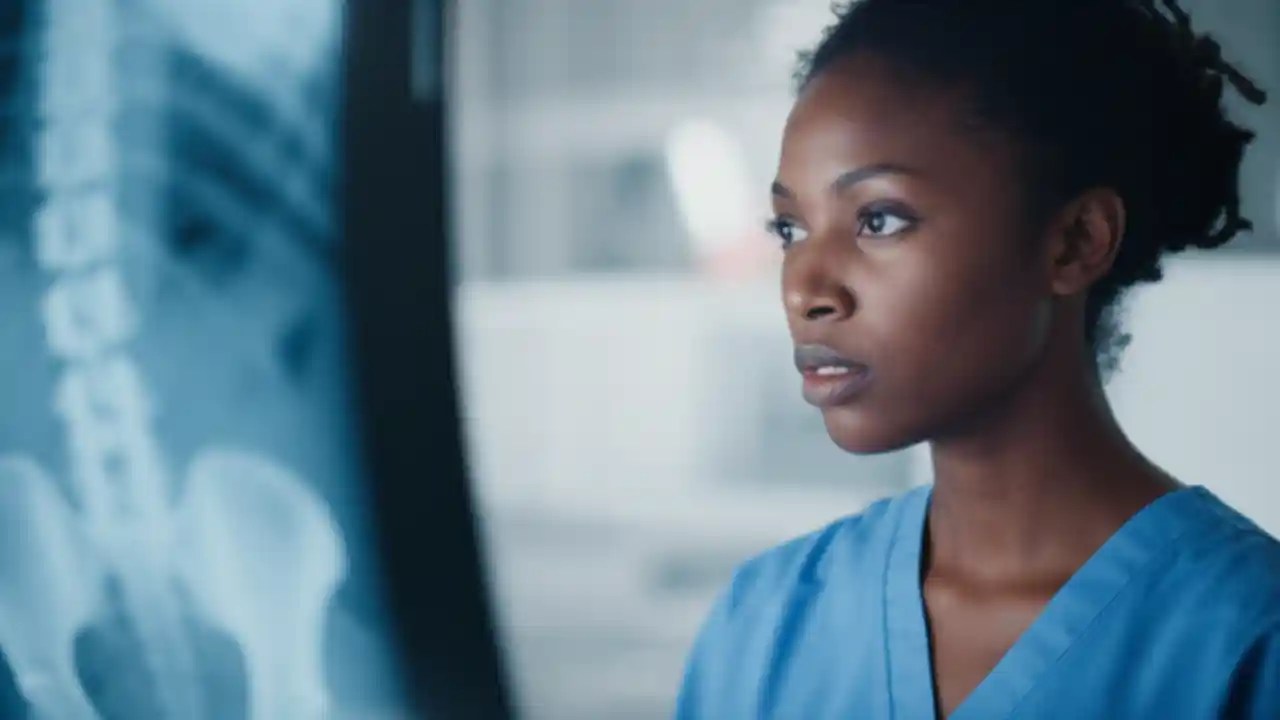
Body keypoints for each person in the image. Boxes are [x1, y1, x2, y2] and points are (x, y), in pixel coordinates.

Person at [675, 1, 1278, 718]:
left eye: (880, 219)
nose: (805, 288)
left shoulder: (1246, 643)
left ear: (1076, 242)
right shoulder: (763, 624)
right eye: (790, 227)